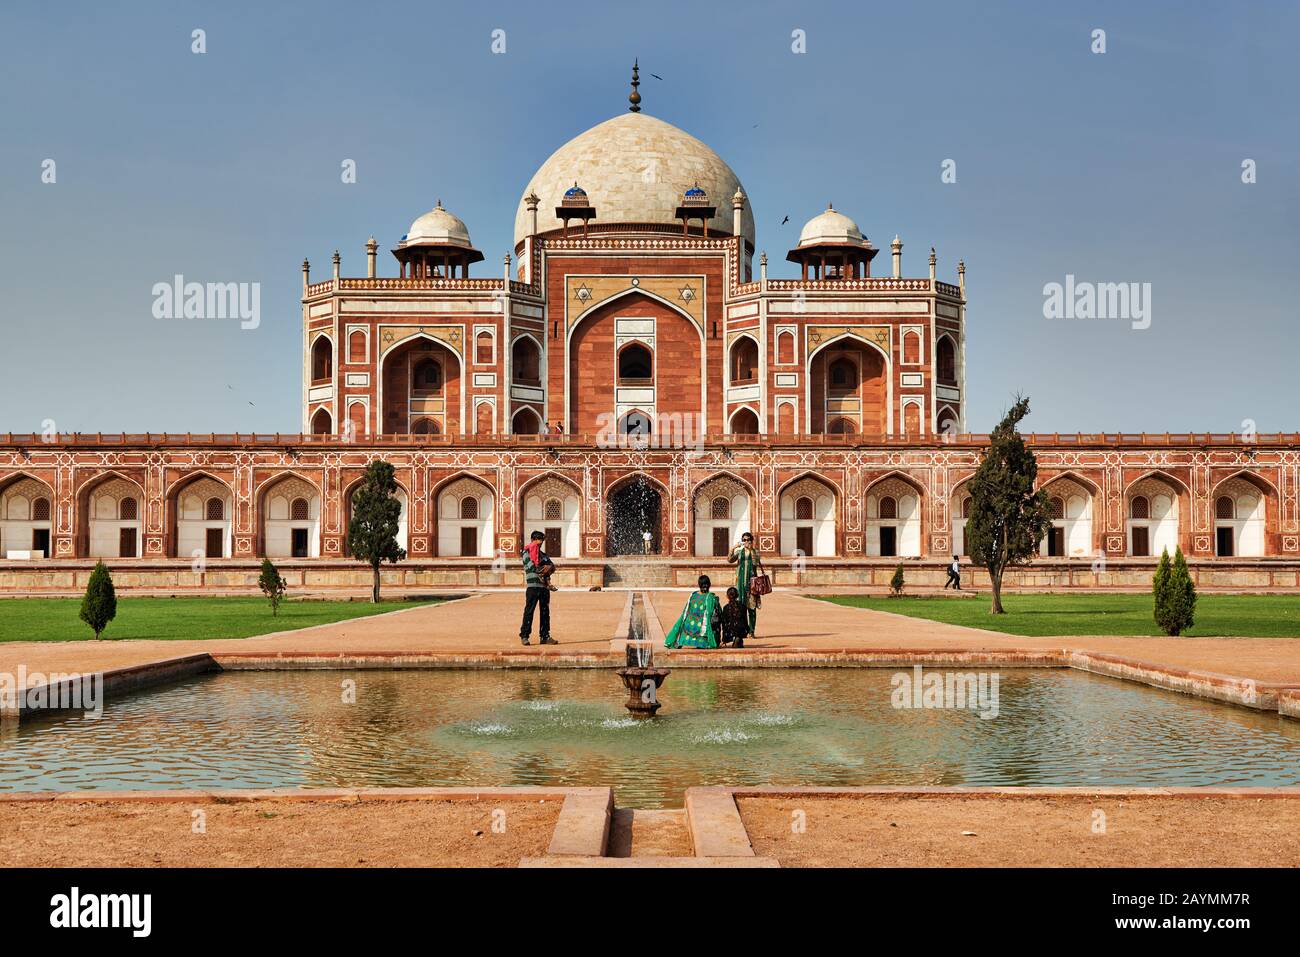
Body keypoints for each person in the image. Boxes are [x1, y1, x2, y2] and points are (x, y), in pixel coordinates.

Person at [520, 530, 558, 646]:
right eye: (538, 540)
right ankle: (525, 636)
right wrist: (544, 568)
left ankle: (545, 636)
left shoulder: (543, 555)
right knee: (529, 611)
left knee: (545, 612)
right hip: (533, 586)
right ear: (533, 540)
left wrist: (549, 567)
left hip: (544, 587)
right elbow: (532, 567)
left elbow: (552, 566)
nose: (540, 543)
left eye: (541, 541)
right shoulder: (526, 552)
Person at [664, 575, 721, 649]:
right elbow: (715, 613)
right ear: (710, 584)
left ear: (699, 585)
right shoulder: (710, 597)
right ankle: (703, 643)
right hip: (702, 630)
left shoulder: (693, 595)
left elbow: (685, 612)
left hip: (689, 626)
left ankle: (681, 641)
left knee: (685, 620)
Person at [728, 531, 764, 642]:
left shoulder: (755, 552)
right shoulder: (739, 552)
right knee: (741, 608)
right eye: (744, 540)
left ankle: (751, 631)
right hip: (740, 584)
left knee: (752, 609)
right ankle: (743, 630)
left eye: (748, 539)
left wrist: (751, 549)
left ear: (752, 541)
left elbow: (755, 563)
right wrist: (734, 547)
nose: (746, 542)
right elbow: (730, 560)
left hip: (752, 584)